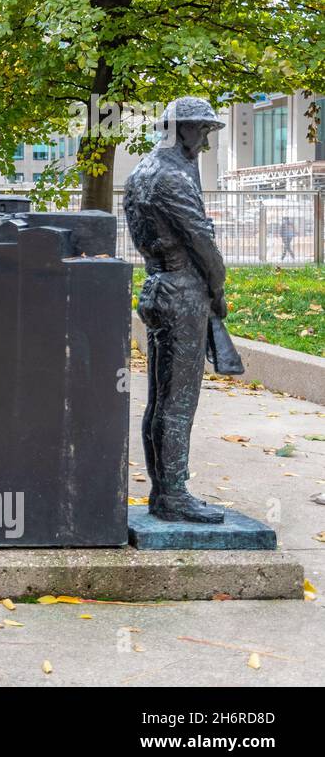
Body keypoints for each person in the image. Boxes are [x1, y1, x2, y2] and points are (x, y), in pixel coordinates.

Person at [123, 96, 239, 524]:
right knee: (179, 401)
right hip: (183, 290)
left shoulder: (143, 171)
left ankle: (166, 492)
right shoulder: (169, 175)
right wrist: (218, 286)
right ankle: (172, 496)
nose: (206, 141)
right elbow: (202, 242)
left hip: (159, 285)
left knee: (161, 399)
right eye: (203, 131)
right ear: (184, 128)